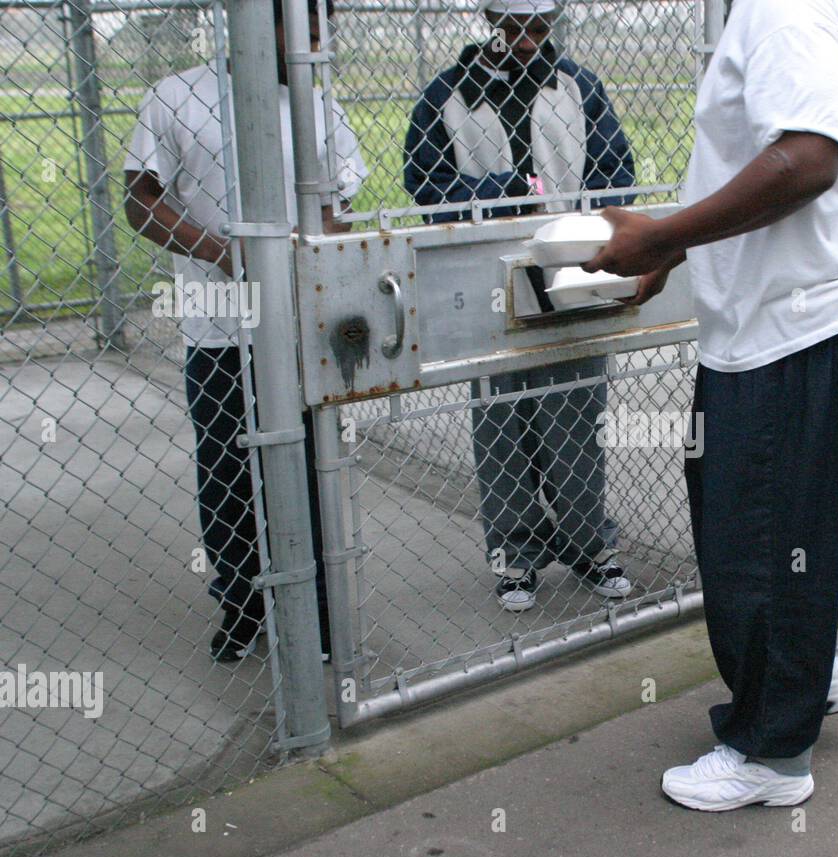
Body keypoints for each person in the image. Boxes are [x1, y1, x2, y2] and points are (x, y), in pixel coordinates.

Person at [585, 0, 838, 811]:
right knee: (783, 524)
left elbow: (807, 159)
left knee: (753, 534)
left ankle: (771, 751)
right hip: (799, 320)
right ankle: (807, 670)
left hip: (789, 329)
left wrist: (658, 238)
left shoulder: (781, 9)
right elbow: (769, 156)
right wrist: (680, 244)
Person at [124, 0, 368, 662]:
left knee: (315, 469)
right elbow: (140, 198)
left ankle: (316, 608)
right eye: (307, 29)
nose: (319, 43)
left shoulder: (319, 106)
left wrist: (314, 248)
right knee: (228, 470)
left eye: (325, 31)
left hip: (300, 330)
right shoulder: (178, 96)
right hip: (220, 327)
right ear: (262, 22)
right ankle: (242, 603)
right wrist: (219, 249)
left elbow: (341, 210)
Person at [402, 0, 636, 612]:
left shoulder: (577, 85)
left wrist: (581, 218)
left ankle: (589, 545)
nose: (526, 40)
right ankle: (515, 554)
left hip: (568, 269)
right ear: (490, 24)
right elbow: (423, 181)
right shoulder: (448, 93)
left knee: (575, 412)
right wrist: (494, 195)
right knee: (502, 420)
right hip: (487, 275)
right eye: (512, 28)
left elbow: (618, 169)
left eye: (537, 27)